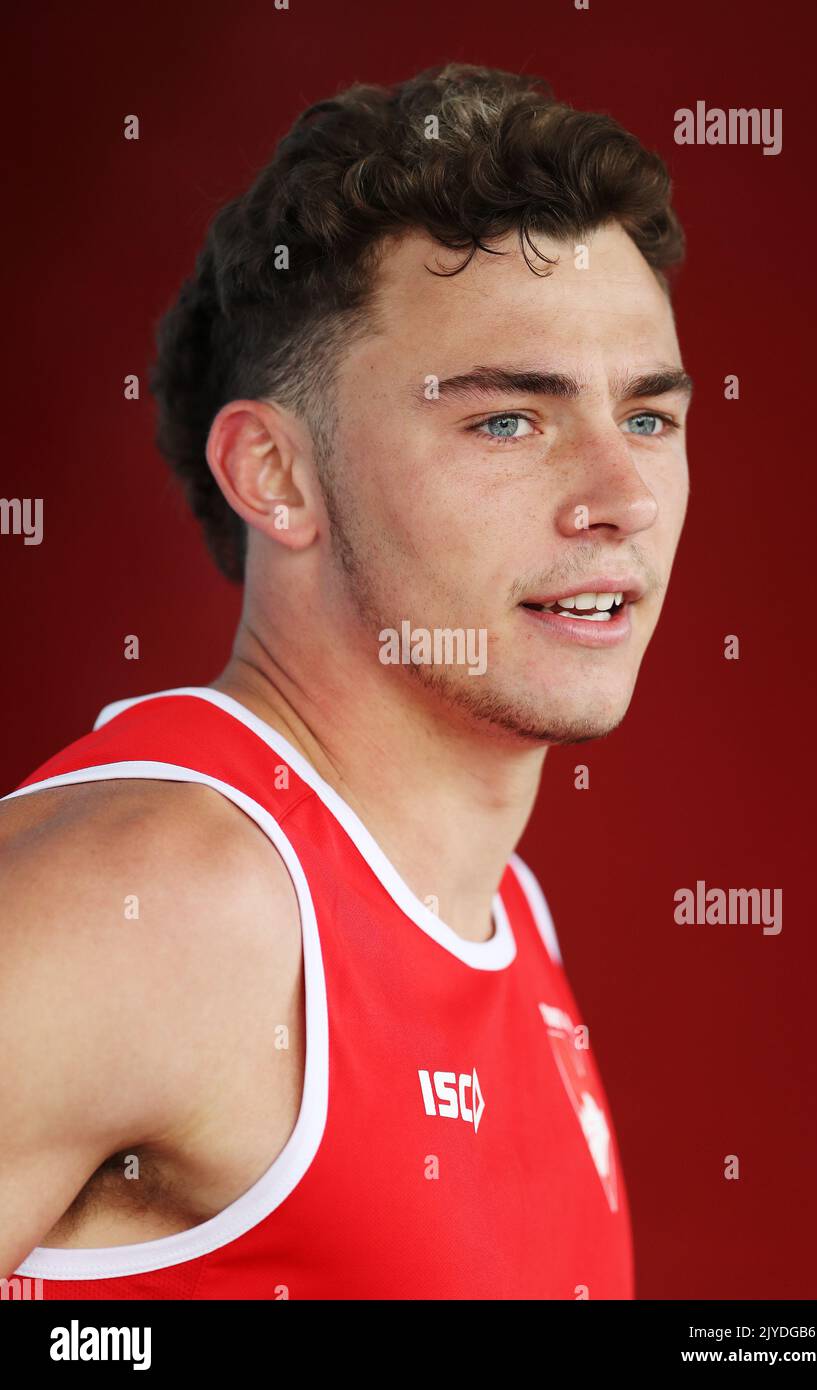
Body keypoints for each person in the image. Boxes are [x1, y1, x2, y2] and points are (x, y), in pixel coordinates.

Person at [0, 61, 691, 1299]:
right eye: (507, 420)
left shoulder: (499, 909)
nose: (621, 497)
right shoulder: (158, 896)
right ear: (276, 475)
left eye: (646, 417)